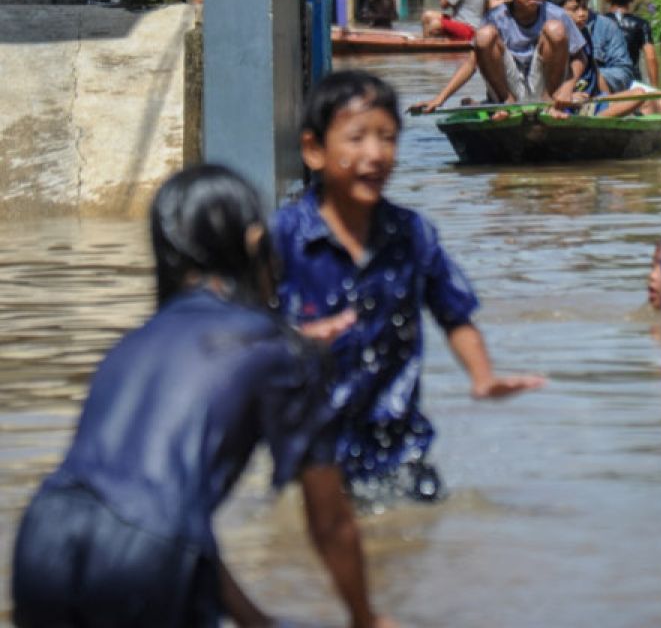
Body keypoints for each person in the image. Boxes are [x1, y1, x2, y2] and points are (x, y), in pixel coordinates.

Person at [10, 164, 398, 628]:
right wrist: (365, 617)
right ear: (255, 243)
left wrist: (256, 621)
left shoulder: (133, 345)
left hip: (42, 538)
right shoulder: (278, 350)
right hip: (146, 553)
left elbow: (155, 516)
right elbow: (330, 522)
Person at [272, 70, 545, 503]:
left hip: (399, 443)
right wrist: (295, 339)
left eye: (388, 138)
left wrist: (482, 377)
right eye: (357, 138)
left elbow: (454, 313)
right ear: (314, 150)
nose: (375, 154)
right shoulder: (284, 238)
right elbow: (241, 327)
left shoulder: (412, 234)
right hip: (314, 444)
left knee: (421, 527)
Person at [470, 0, 588, 109]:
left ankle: (549, 103)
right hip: (508, 86)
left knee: (555, 29)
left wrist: (567, 89)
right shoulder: (495, 17)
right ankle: (505, 103)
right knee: (484, 35)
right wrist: (441, 98)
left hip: (544, 85)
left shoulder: (557, 14)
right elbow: (472, 62)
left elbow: (580, 57)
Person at [553, 0, 636, 93]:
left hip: (594, 93)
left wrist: (588, 76)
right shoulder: (542, 21)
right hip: (554, 94)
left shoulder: (606, 27)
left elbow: (624, 73)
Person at [605, 0, 660, 87]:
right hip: (632, 82)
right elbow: (651, 57)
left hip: (606, 81)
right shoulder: (641, 24)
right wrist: (654, 87)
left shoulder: (598, 22)